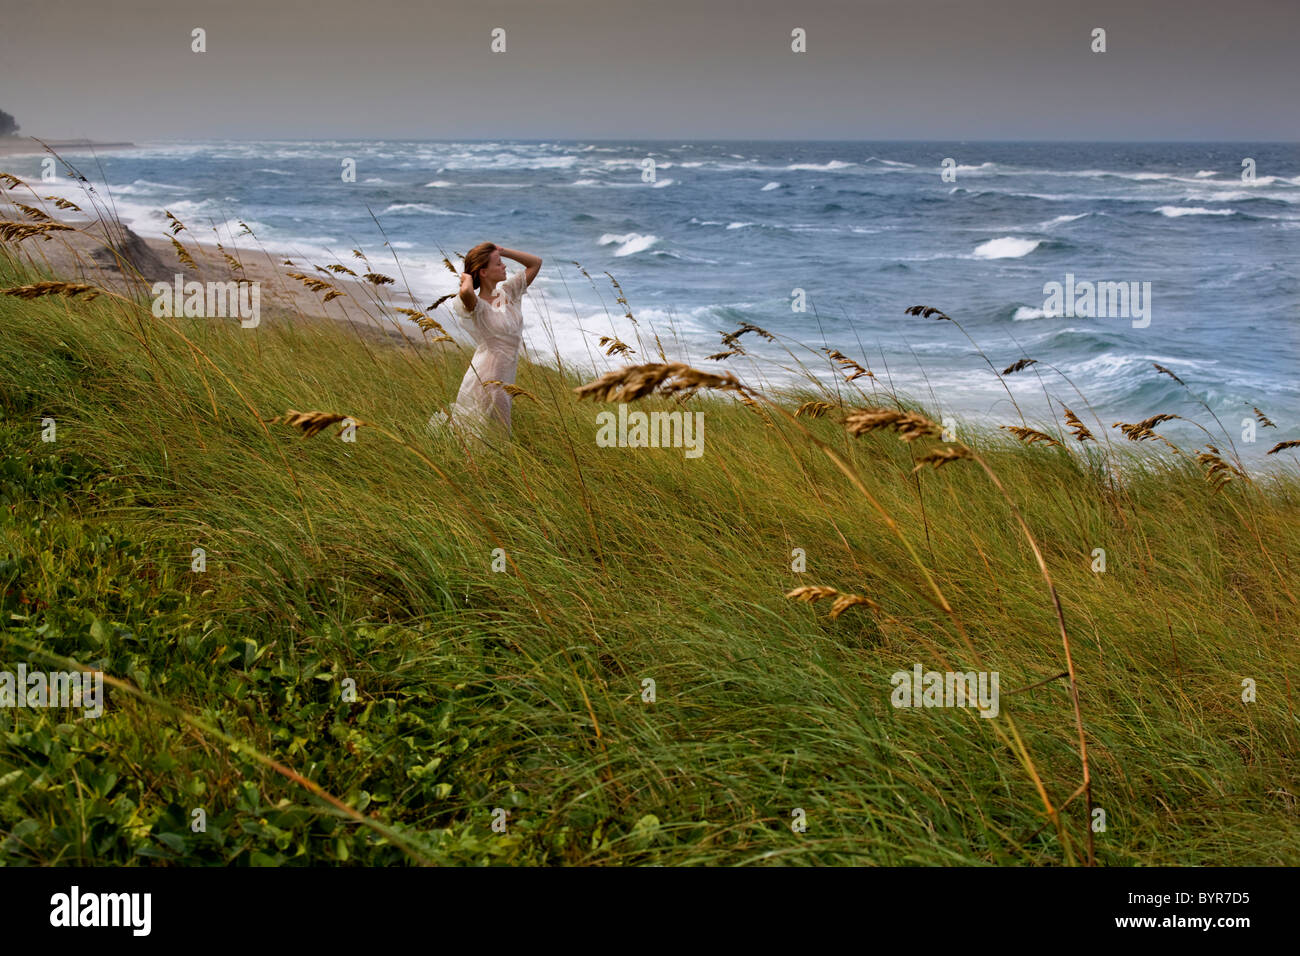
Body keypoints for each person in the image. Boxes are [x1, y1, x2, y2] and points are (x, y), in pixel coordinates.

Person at [429, 242, 541, 444]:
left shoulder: (508, 293)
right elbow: (465, 292)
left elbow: (535, 263)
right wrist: (467, 277)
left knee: (490, 439)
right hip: (488, 379)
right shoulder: (476, 305)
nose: (504, 266)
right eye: (498, 264)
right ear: (483, 272)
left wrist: (503, 251)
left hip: (505, 378)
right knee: (485, 439)